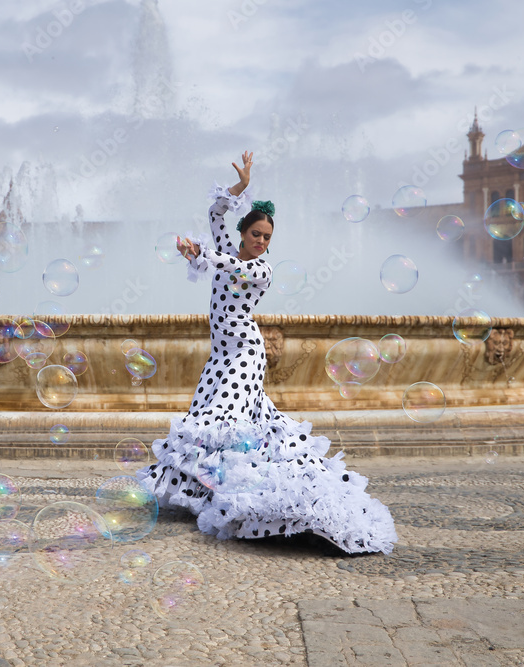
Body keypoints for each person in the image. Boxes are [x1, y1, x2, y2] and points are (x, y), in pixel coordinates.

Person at [137, 152, 397, 555]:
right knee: (207, 418)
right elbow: (214, 215)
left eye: (267, 237)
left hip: (244, 352)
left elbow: (230, 267)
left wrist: (203, 255)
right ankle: (209, 491)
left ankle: (246, 498)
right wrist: (240, 188)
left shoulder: (260, 270)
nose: (261, 242)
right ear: (243, 233)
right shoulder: (230, 247)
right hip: (220, 355)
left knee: (227, 420)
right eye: (256, 234)